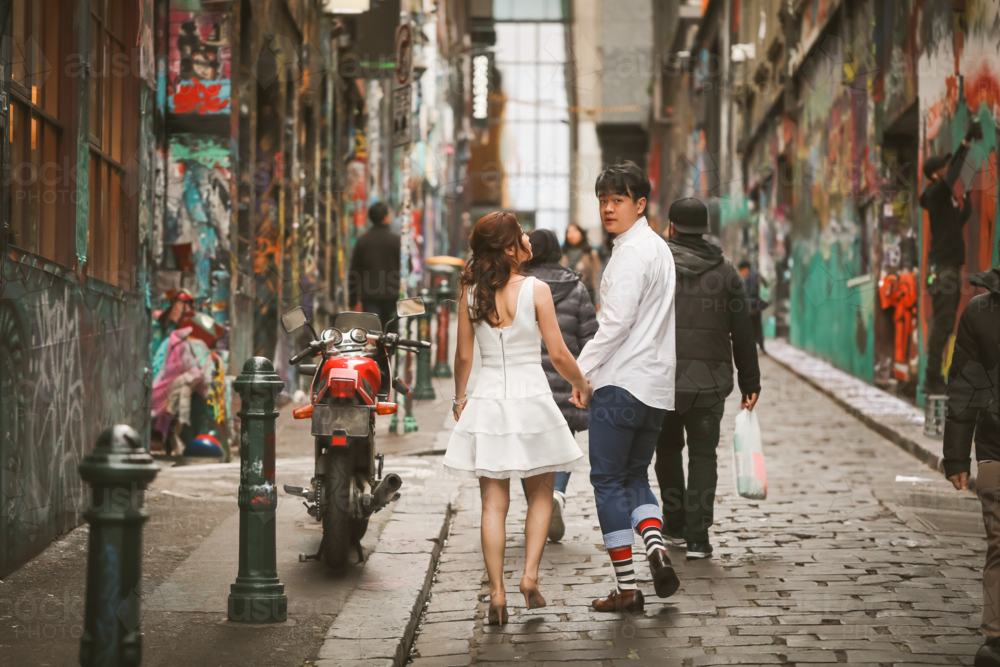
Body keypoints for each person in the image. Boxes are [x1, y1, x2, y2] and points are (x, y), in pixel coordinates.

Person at [443, 212, 593, 626]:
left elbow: (463, 357)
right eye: (520, 236)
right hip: (533, 402)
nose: (527, 240)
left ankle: (496, 595)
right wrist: (582, 384)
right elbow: (559, 355)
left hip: (488, 401)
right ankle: (529, 577)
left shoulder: (471, 294)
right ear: (510, 248)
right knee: (540, 496)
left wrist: (460, 399)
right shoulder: (537, 290)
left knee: (493, 503)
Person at [573, 161, 679, 613]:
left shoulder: (632, 253)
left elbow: (615, 323)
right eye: (603, 200)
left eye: (618, 200)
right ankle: (655, 546)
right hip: (655, 388)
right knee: (636, 477)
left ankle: (628, 588)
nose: (608, 208)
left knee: (607, 481)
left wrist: (581, 372)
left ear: (640, 204)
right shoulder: (657, 248)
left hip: (621, 384)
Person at [655, 198, 762, 561]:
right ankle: (699, 538)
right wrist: (751, 383)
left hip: (661, 380)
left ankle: (675, 524)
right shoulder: (727, 272)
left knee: (667, 450)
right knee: (703, 455)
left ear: (671, 227)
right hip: (710, 384)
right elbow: (743, 332)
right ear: (703, 229)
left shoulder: (655, 264)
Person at [522, 228, 599, 542]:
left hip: (526, 384)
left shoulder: (517, 286)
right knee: (562, 445)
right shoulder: (576, 287)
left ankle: (535, 507)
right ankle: (556, 496)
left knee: (528, 449)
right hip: (565, 384)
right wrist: (585, 381)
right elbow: (590, 338)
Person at [941, 264, 1000, 667]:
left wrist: (958, 457)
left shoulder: (979, 311)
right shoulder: (978, 313)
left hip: (993, 449)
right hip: (995, 449)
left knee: (999, 545)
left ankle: (995, 640)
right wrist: (957, 455)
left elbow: (963, 386)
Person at [919, 120, 983, 395]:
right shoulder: (936, 192)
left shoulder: (943, 199)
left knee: (945, 322)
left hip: (946, 266)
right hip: (942, 268)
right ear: (935, 174)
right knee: (943, 322)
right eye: (942, 168)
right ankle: (932, 377)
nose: (947, 170)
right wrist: (966, 141)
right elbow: (954, 171)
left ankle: (934, 375)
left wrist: (966, 208)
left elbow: (954, 226)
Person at [348, 201, 401, 333]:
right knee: (389, 336)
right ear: (386, 217)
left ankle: (375, 353)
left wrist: (352, 300)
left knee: (372, 336)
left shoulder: (363, 241)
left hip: (369, 297)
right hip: (391, 296)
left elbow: (355, 272)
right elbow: (407, 267)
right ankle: (388, 354)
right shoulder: (397, 240)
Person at [561, 223, 601, 307]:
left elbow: (596, 278)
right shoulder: (562, 254)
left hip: (586, 297)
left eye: (575, 231)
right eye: (568, 232)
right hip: (566, 297)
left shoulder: (591, 254)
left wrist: (598, 301)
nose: (571, 234)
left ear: (581, 233)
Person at [738, 260, 770, 353]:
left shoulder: (749, 277)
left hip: (752, 307)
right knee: (757, 327)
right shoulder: (756, 275)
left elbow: (748, 295)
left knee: (751, 328)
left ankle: (754, 347)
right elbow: (765, 284)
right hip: (757, 306)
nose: (741, 274)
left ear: (745, 269)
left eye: (741, 271)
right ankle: (761, 346)